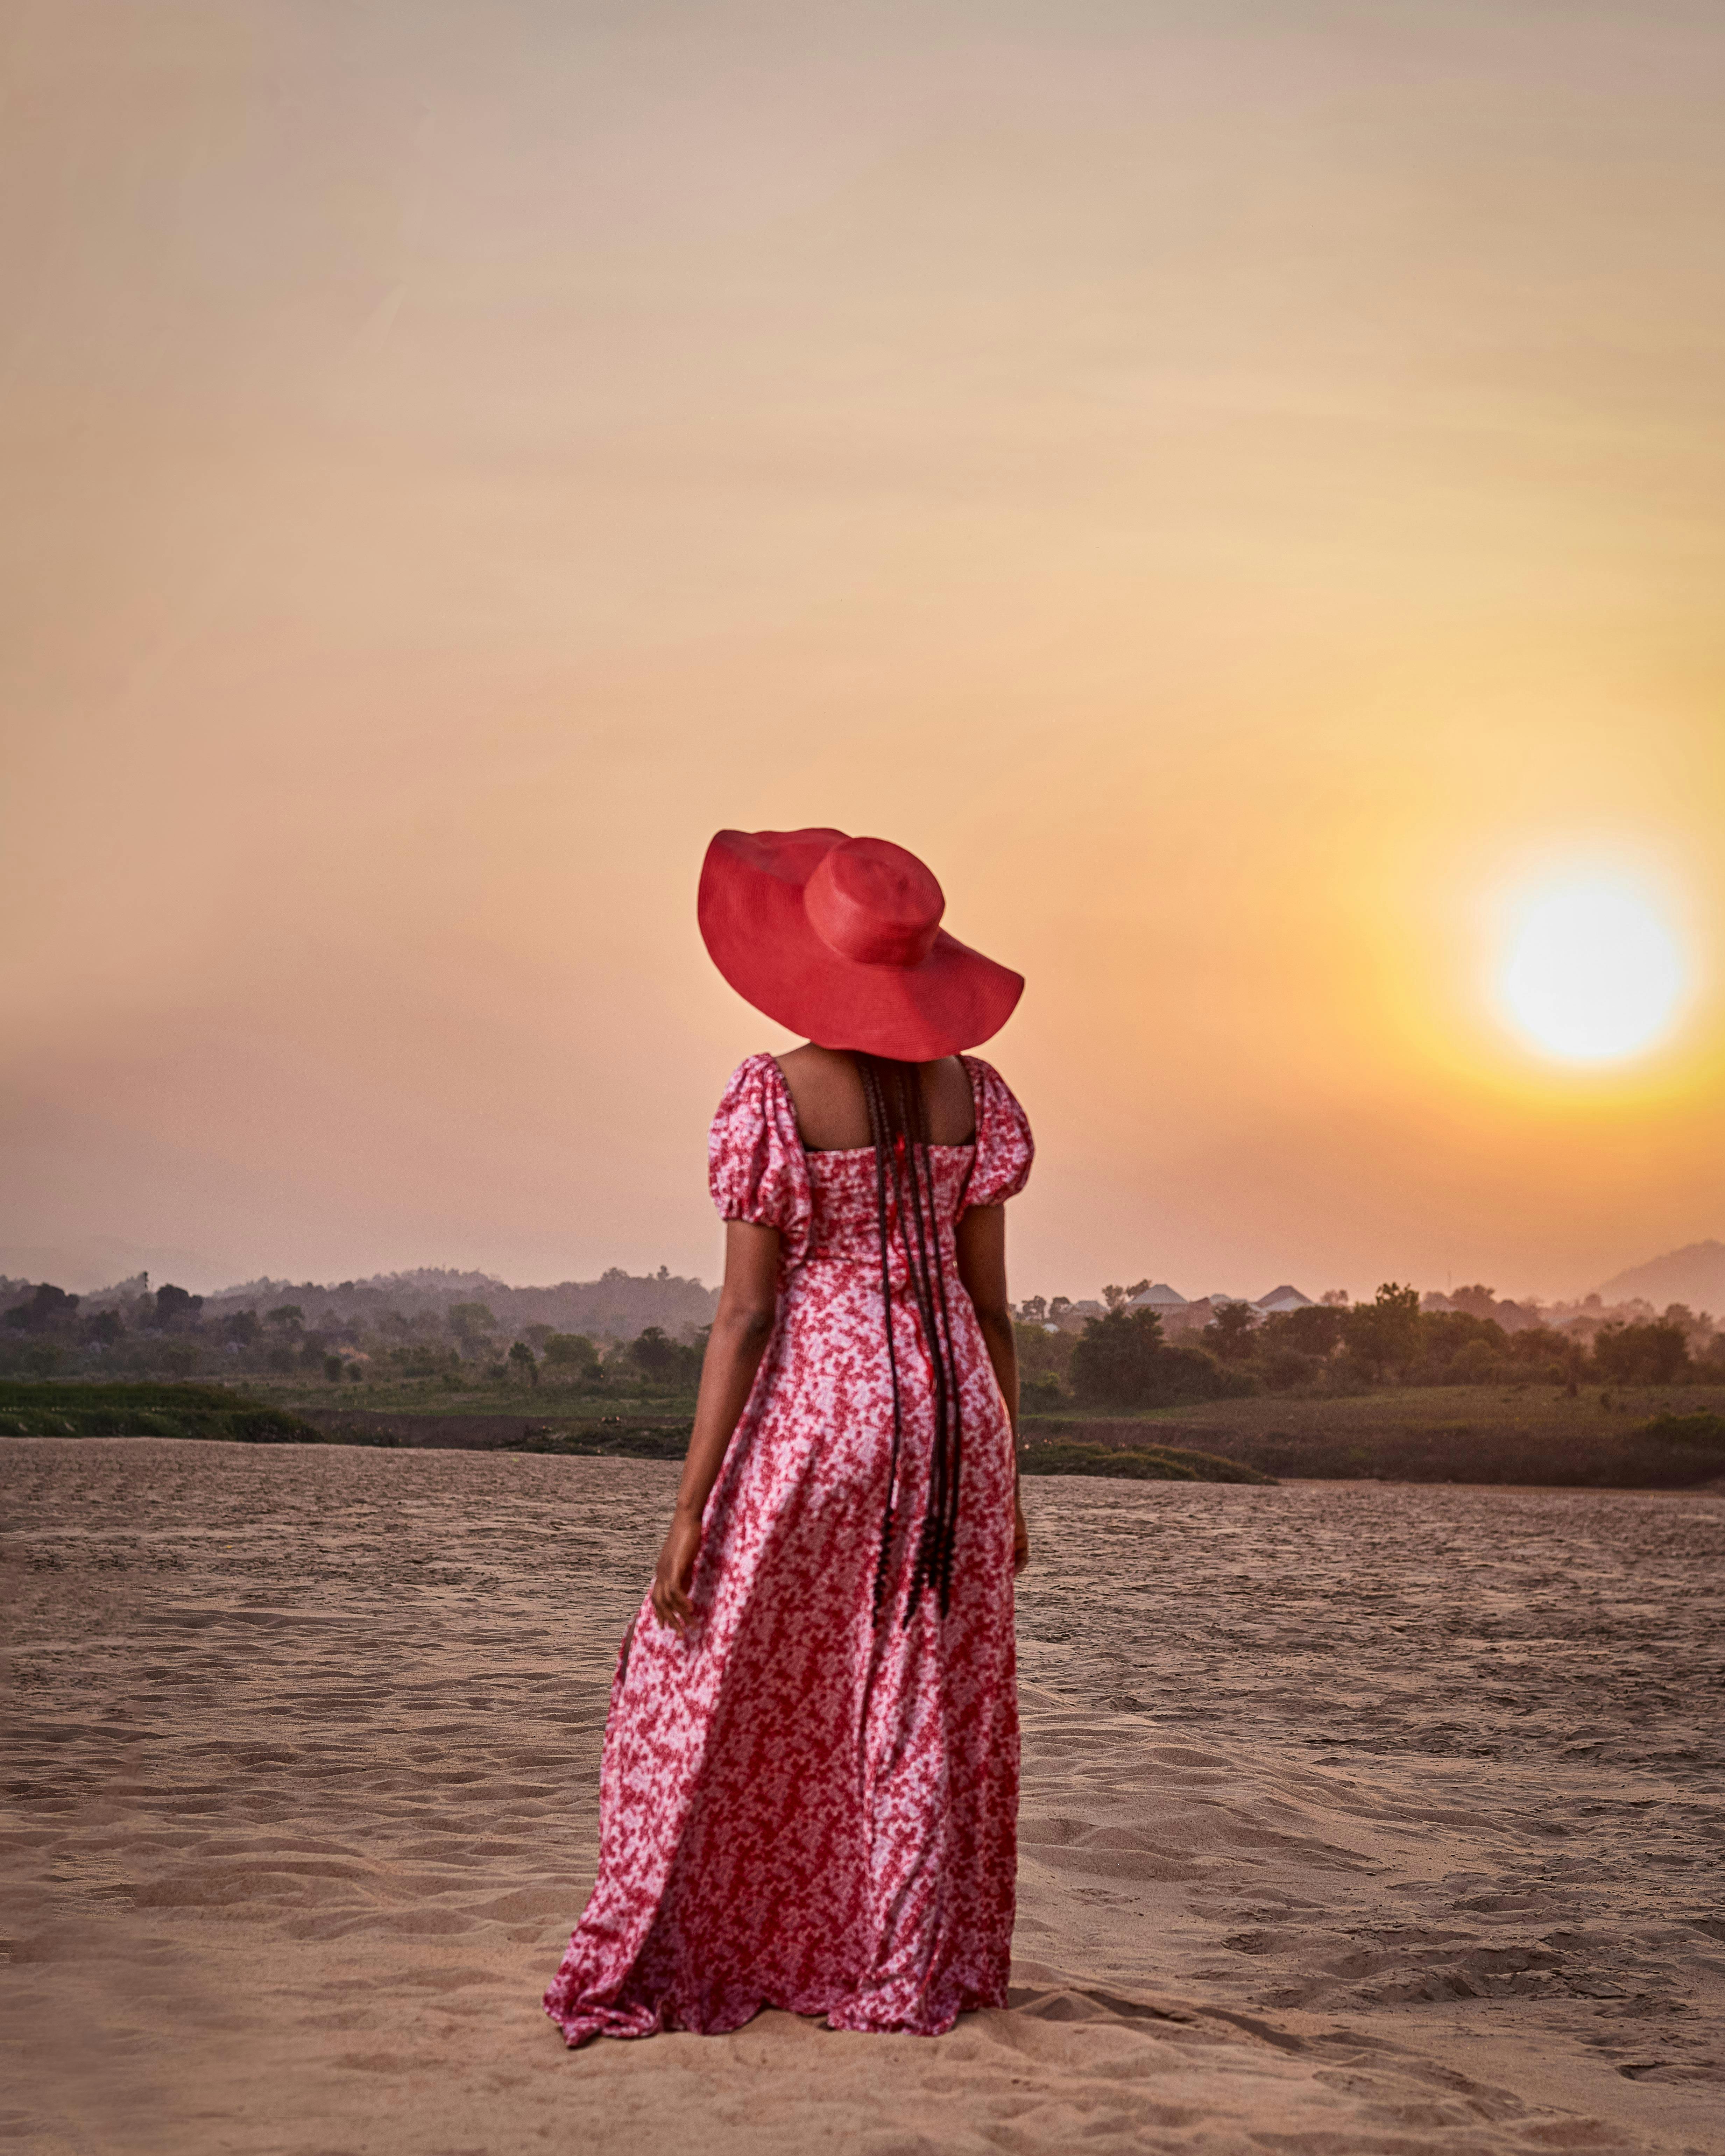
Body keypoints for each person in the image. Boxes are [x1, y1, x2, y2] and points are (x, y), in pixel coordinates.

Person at [544, 826, 1034, 2044]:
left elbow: (748, 1312)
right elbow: (988, 1307)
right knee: (919, 1684)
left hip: (823, 1413)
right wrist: (1009, 1474)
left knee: (724, 1674)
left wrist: (687, 1506)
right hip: (957, 1416)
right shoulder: (975, 1093)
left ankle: (743, 1933)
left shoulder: (775, 1095)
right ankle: (901, 1951)